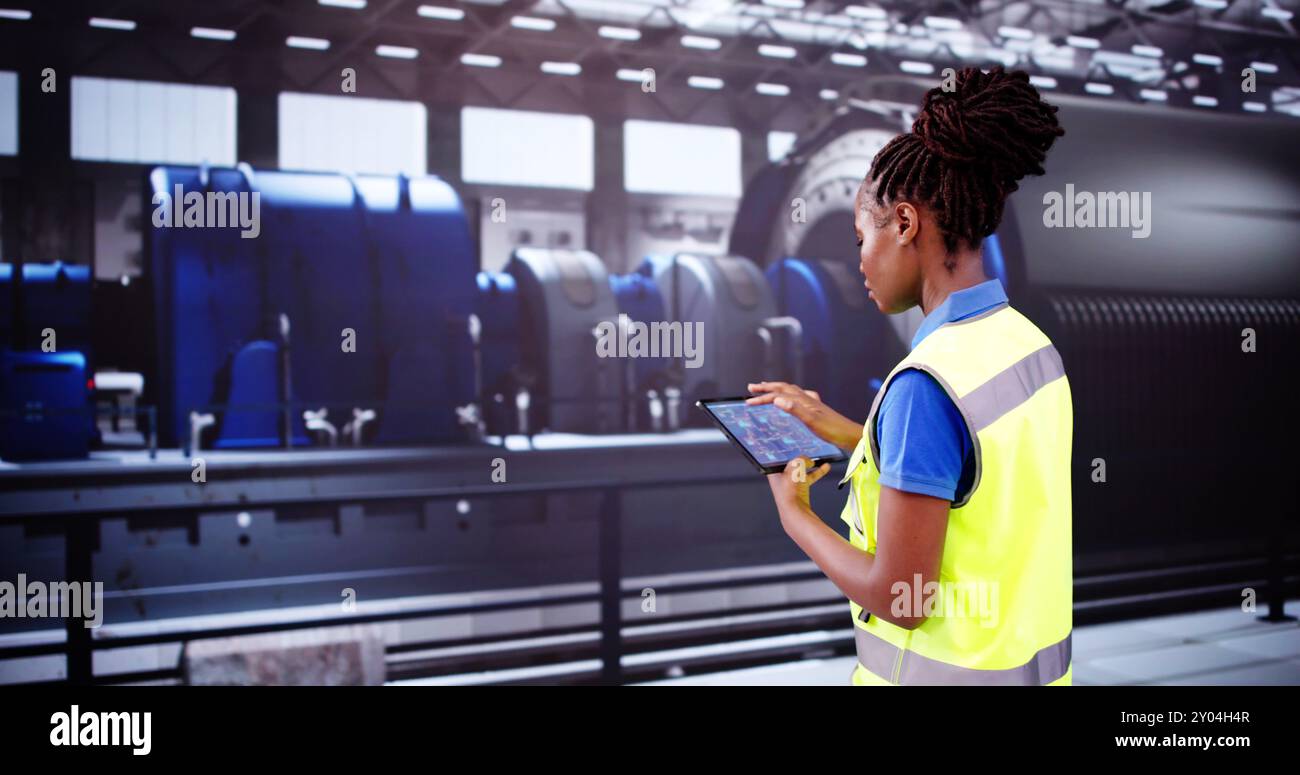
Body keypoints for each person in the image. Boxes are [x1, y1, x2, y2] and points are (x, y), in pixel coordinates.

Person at [748, 66, 1073, 685]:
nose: (859, 262)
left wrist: (796, 516)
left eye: (860, 238)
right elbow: (974, 472)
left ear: (904, 223)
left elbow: (901, 597)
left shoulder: (926, 384)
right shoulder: (1031, 349)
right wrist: (848, 431)